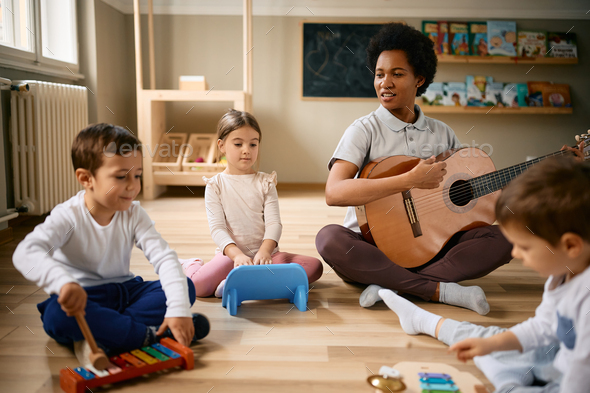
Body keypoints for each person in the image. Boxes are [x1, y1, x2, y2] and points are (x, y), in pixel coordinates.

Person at [315, 22, 512, 315]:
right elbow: (335, 192)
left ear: (419, 79)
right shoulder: (363, 130)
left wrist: (514, 183)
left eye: (397, 74)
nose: (385, 82)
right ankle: (436, 289)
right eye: (380, 74)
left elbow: (465, 196)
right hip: (371, 247)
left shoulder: (442, 133)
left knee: (507, 238)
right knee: (329, 238)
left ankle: (392, 285)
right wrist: (410, 180)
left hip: (431, 249)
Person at [377, 157, 590, 392]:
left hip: (573, 381)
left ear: (571, 246)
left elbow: (579, 379)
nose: (516, 253)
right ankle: (426, 322)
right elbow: (543, 326)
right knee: (490, 339)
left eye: (525, 247)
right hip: (558, 360)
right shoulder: (562, 274)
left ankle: (505, 377)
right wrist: (493, 345)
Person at [12, 124, 210, 365]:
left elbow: (164, 258)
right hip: (82, 297)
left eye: (137, 175)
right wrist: (62, 283)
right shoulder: (67, 215)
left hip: (126, 291)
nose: (133, 186)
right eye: (121, 176)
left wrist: (178, 309)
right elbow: (25, 252)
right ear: (86, 178)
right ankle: (149, 335)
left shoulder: (134, 214)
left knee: (185, 287)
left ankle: (107, 333)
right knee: (56, 317)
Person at [182, 109, 323, 297]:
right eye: (238, 144)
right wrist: (237, 255)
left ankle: (237, 282)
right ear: (222, 146)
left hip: (266, 256)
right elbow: (217, 229)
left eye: (253, 144)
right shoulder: (215, 185)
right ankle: (193, 265)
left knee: (314, 267)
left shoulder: (266, 182)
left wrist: (265, 251)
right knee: (197, 287)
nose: (246, 150)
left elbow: (274, 223)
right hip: (231, 256)